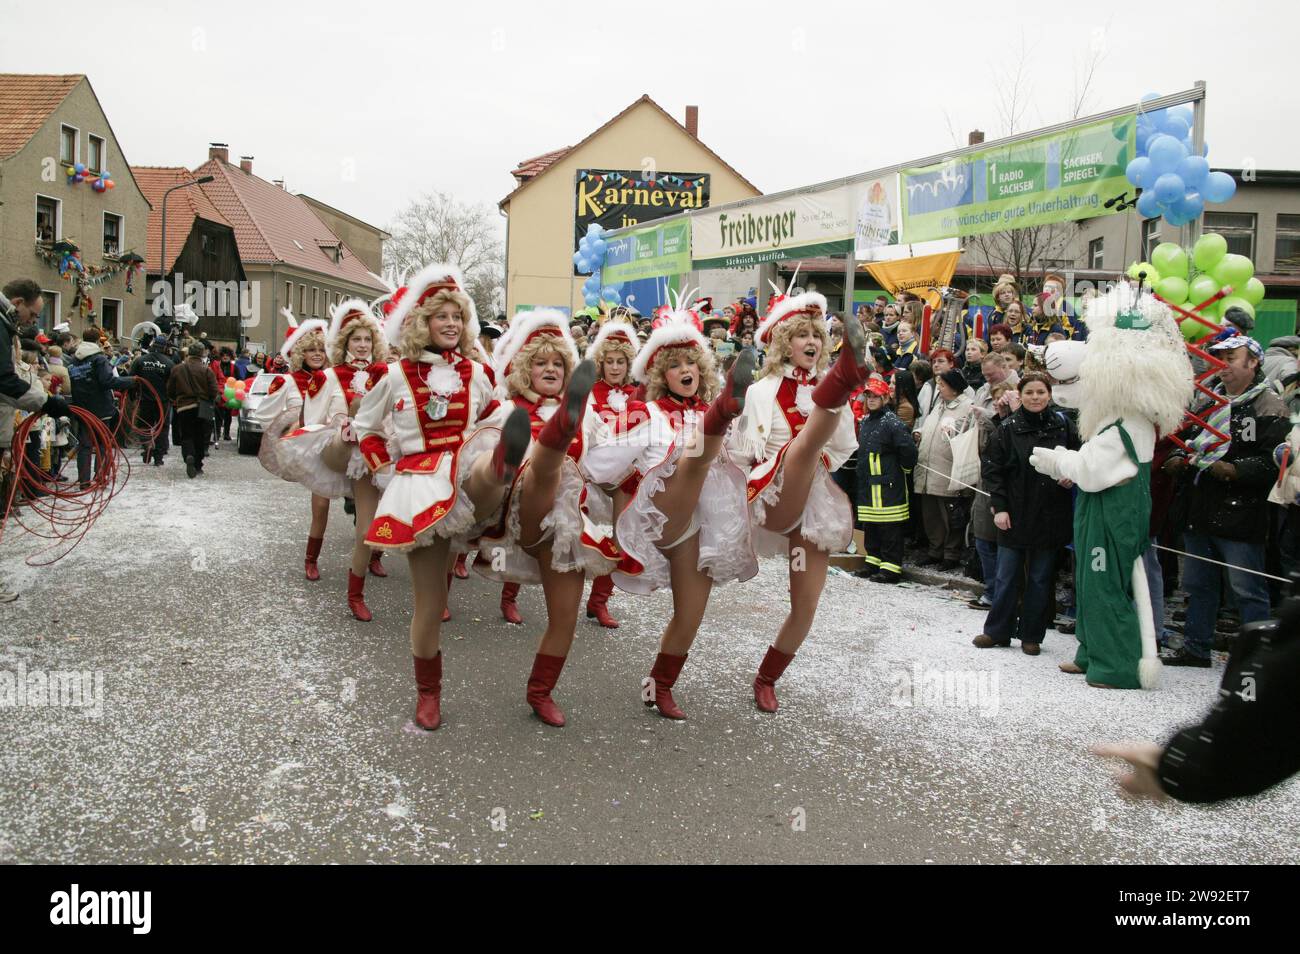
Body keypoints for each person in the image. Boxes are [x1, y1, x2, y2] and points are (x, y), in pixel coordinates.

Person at [354, 263, 530, 731]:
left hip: (470, 474)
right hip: (418, 487)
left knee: (483, 463)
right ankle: (428, 692)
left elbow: (492, 417)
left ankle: (503, 466)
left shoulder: (476, 373)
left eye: (458, 315)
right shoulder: (393, 376)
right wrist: (386, 471)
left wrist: (498, 437)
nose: (452, 323)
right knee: (429, 604)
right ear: (422, 323)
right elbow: (365, 429)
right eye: (442, 316)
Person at [584, 302, 758, 720]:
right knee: (691, 459)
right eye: (674, 364)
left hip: (697, 528)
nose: (685, 370)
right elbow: (598, 465)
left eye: (691, 363)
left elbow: (742, 461)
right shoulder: (648, 413)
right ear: (661, 374)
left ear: (701, 370)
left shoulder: (701, 414)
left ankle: (658, 686)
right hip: (659, 517)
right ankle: (726, 408)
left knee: (690, 616)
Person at [729, 292, 870, 712]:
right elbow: (741, 452)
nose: (811, 341)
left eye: (817, 334)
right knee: (800, 449)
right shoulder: (761, 390)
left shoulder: (821, 395)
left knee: (805, 605)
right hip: (769, 495)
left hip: (811, 505)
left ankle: (766, 678)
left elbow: (844, 448)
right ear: (782, 342)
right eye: (801, 334)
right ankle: (845, 379)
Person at [472, 313, 612, 726]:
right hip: (516, 515)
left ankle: (540, 691)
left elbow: (607, 462)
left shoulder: (593, 418)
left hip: (564, 524)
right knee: (541, 470)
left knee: (565, 616)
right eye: (540, 362)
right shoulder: (505, 411)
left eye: (558, 363)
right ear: (522, 369)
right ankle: (551, 440)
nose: (550, 369)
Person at [1161, 335, 1288, 667]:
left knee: (1248, 589)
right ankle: (1196, 647)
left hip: (1241, 510)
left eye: (1231, 358)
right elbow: (1186, 437)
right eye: (1218, 358)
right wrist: (1176, 456)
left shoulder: (1269, 404)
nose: (1223, 365)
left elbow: (1273, 461)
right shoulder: (1207, 399)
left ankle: (1257, 658)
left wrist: (1235, 470)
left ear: (1253, 362)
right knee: (1199, 585)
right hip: (1198, 503)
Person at [973, 374, 1080, 654]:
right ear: (1020, 395)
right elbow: (993, 470)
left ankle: (1032, 634)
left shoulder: (1064, 425)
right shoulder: (1007, 428)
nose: (1036, 397)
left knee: (1040, 578)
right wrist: (1000, 507)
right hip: (1015, 512)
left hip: (1050, 513)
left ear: (1049, 394)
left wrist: (1072, 475)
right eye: (1030, 392)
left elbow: (1079, 457)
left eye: (1041, 392)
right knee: (1007, 576)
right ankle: (997, 631)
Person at [252, 313, 351, 575]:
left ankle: (373, 557)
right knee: (321, 508)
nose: (317, 353)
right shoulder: (286, 381)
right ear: (300, 352)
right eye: (310, 349)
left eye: (321, 348)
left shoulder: (337, 378)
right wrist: (290, 426)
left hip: (344, 444)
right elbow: (264, 415)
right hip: (316, 454)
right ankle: (311, 560)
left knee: (367, 505)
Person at [324, 299, 391, 622]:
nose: (362, 345)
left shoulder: (388, 373)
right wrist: (347, 417)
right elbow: (331, 414)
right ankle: (355, 594)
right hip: (359, 454)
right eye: (356, 340)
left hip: (391, 451)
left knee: (386, 521)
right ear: (345, 343)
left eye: (367, 339)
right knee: (366, 526)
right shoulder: (333, 375)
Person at [579, 317, 643, 629]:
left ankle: (599, 601)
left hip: (621, 474)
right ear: (600, 362)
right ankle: (511, 593)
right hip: (585, 468)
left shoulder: (638, 393)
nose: (615, 368)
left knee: (624, 534)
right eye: (609, 361)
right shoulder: (587, 391)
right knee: (558, 528)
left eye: (621, 362)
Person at [854, 376, 916, 584]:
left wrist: (903, 470)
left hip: (888, 484)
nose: (871, 399)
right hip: (869, 484)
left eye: (875, 396)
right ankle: (873, 562)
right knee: (871, 525)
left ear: (885, 398)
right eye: (868, 396)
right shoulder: (867, 421)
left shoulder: (893, 422)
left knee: (889, 527)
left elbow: (908, 451)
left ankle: (891, 568)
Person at [911, 369, 975, 569]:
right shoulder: (939, 405)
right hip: (927, 469)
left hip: (947, 469)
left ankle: (951, 553)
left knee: (950, 515)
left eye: (943, 385)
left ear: (954, 388)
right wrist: (919, 432)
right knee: (931, 515)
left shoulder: (966, 407)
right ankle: (934, 550)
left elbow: (967, 434)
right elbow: (929, 426)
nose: (939, 388)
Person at [68, 327, 135, 489]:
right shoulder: (99, 359)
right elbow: (107, 381)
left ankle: (84, 481)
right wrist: (131, 381)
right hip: (101, 409)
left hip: (82, 408)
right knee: (103, 444)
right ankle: (101, 478)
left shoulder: (74, 360)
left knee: (85, 445)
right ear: (99, 341)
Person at [166, 343, 219, 478]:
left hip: (184, 406)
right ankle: (198, 464)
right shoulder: (206, 370)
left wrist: (176, 399)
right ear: (202, 354)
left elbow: (170, 390)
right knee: (201, 436)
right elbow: (214, 391)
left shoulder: (177, 369)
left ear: (189, 353)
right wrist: (210, 399)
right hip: (203, 407)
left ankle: (189, 455)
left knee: (187, 435)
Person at [129, 335, 176, 466]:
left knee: (144, 426)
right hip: (163, 401)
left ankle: (147, 447)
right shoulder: (169, 363)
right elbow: (173, 384)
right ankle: (159, 457)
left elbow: (131, 380)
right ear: (165, 347)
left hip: (145, 400)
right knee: (162, 428)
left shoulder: (140, 361)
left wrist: (133, 396)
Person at [209, 347, 240, 443]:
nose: (225, 357)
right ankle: (216, 433)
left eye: (227, 355)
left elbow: (238, 379)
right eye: (223, 355)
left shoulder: (234, 367)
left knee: (228, 415)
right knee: (218, 414)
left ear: (230, 357)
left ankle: (226, 433)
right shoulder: (216, 365)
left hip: (230, 392)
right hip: (219, 391)